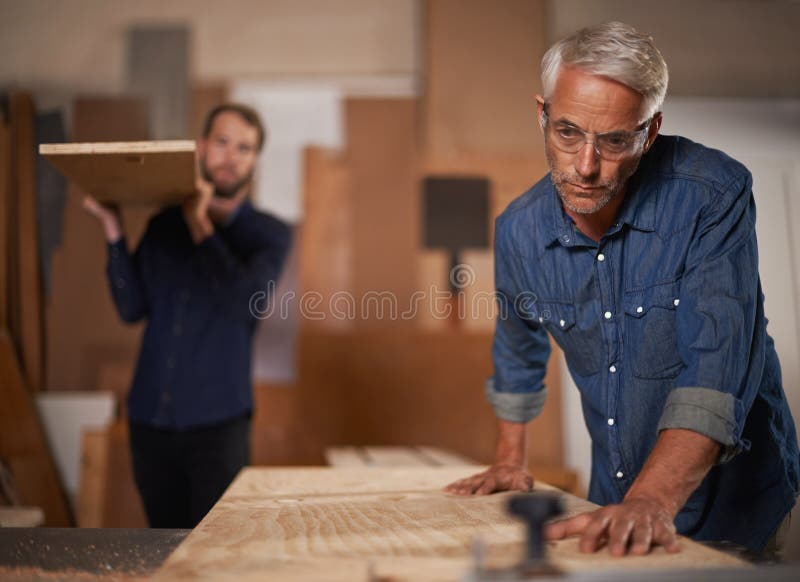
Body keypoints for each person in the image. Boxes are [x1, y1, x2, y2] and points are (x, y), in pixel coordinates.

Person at [445, 22, 799, 556]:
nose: (586, 166)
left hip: (736, 505)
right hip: (613, 493)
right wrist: (510, 460)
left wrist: (652, 501)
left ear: (650, 132)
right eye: (567, 133)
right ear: (542, 114)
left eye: (614, 140)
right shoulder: (518, 230)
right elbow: (518, 349)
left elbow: (716, 367)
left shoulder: (712, 194)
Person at [84, 103, 292, 528]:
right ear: (200, 146)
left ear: (255, 159)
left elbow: (242, 302)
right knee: (165, 542)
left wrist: (201, 225)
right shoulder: (164, 226)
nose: (230, 157)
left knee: (217, 547)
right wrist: (113, 228)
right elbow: (131, 308)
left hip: (218, 425)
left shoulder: (269, 234)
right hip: (149, 421)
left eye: (244, 148)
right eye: (222, 143)